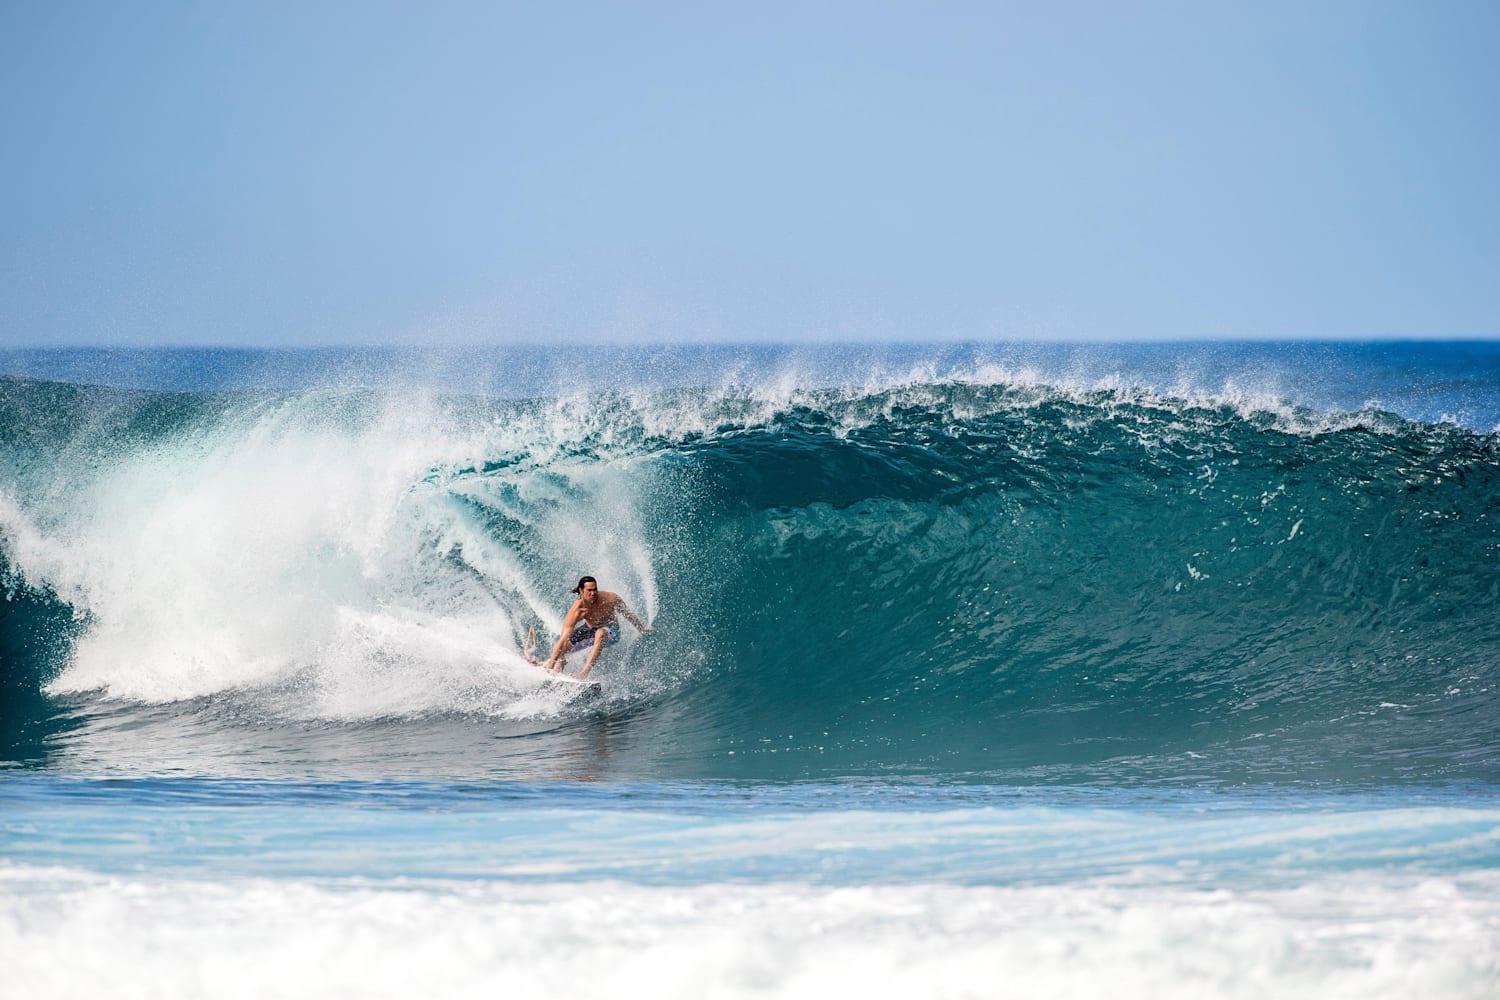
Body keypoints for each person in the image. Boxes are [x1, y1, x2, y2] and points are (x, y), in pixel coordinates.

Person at [536, 576, 651, 679]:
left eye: (595, 589)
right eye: (589, 590)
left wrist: (640, 628)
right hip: (589, 629)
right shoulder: (577, 610)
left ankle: (584, 673)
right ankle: (558, 662)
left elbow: (627, 614)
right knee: (560, 645)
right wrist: (552, 662)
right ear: (581, 591)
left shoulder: (610, 598)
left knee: (600, 633)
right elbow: (564, 636)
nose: (593, 593)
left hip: (611, 630)